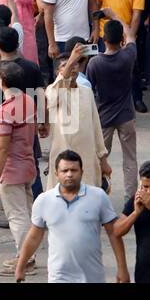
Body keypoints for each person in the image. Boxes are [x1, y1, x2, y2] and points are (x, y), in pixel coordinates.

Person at [15, 150, 130, 283]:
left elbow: (113, 234)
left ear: (81, 172)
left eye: (74, 170)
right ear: (56, 174)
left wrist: (122, 269)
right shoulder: (44, 200)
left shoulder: (98, 197)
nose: (69, 174)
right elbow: (34, 237)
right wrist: (20, 266)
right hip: (59, 277)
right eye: (65, 171)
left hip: (92, 277)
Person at [0, 60, 40, 276]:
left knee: (17, 216)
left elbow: (2, 148)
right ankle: (28, 256)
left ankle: (24, 259)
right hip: (28, 165)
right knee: (27, 214)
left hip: (12, 170)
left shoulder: (5, 111)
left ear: (2, 82)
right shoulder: (28, 101)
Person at [44, 44, 112, 192]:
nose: (72, 67)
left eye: (75, 64)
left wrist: (103, 160)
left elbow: (96, 128)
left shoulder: (87, 92)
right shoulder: (53, 91)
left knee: (89, 200)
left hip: (87, 158)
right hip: (63, 159)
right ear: (58, 72)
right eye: (66, 65)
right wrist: (71, 60)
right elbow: (55, 92)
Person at [86, 18, 139, 197]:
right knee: (130, 159)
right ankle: (130, 198)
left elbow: (88, 90)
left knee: (99, 158)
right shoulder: (128, 55)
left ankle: (99, 193)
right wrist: (114, 14)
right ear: (121, 39)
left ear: (103, 38)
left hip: (104, 118)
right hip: (126, 115)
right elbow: (131, 33)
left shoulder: (95, 63)